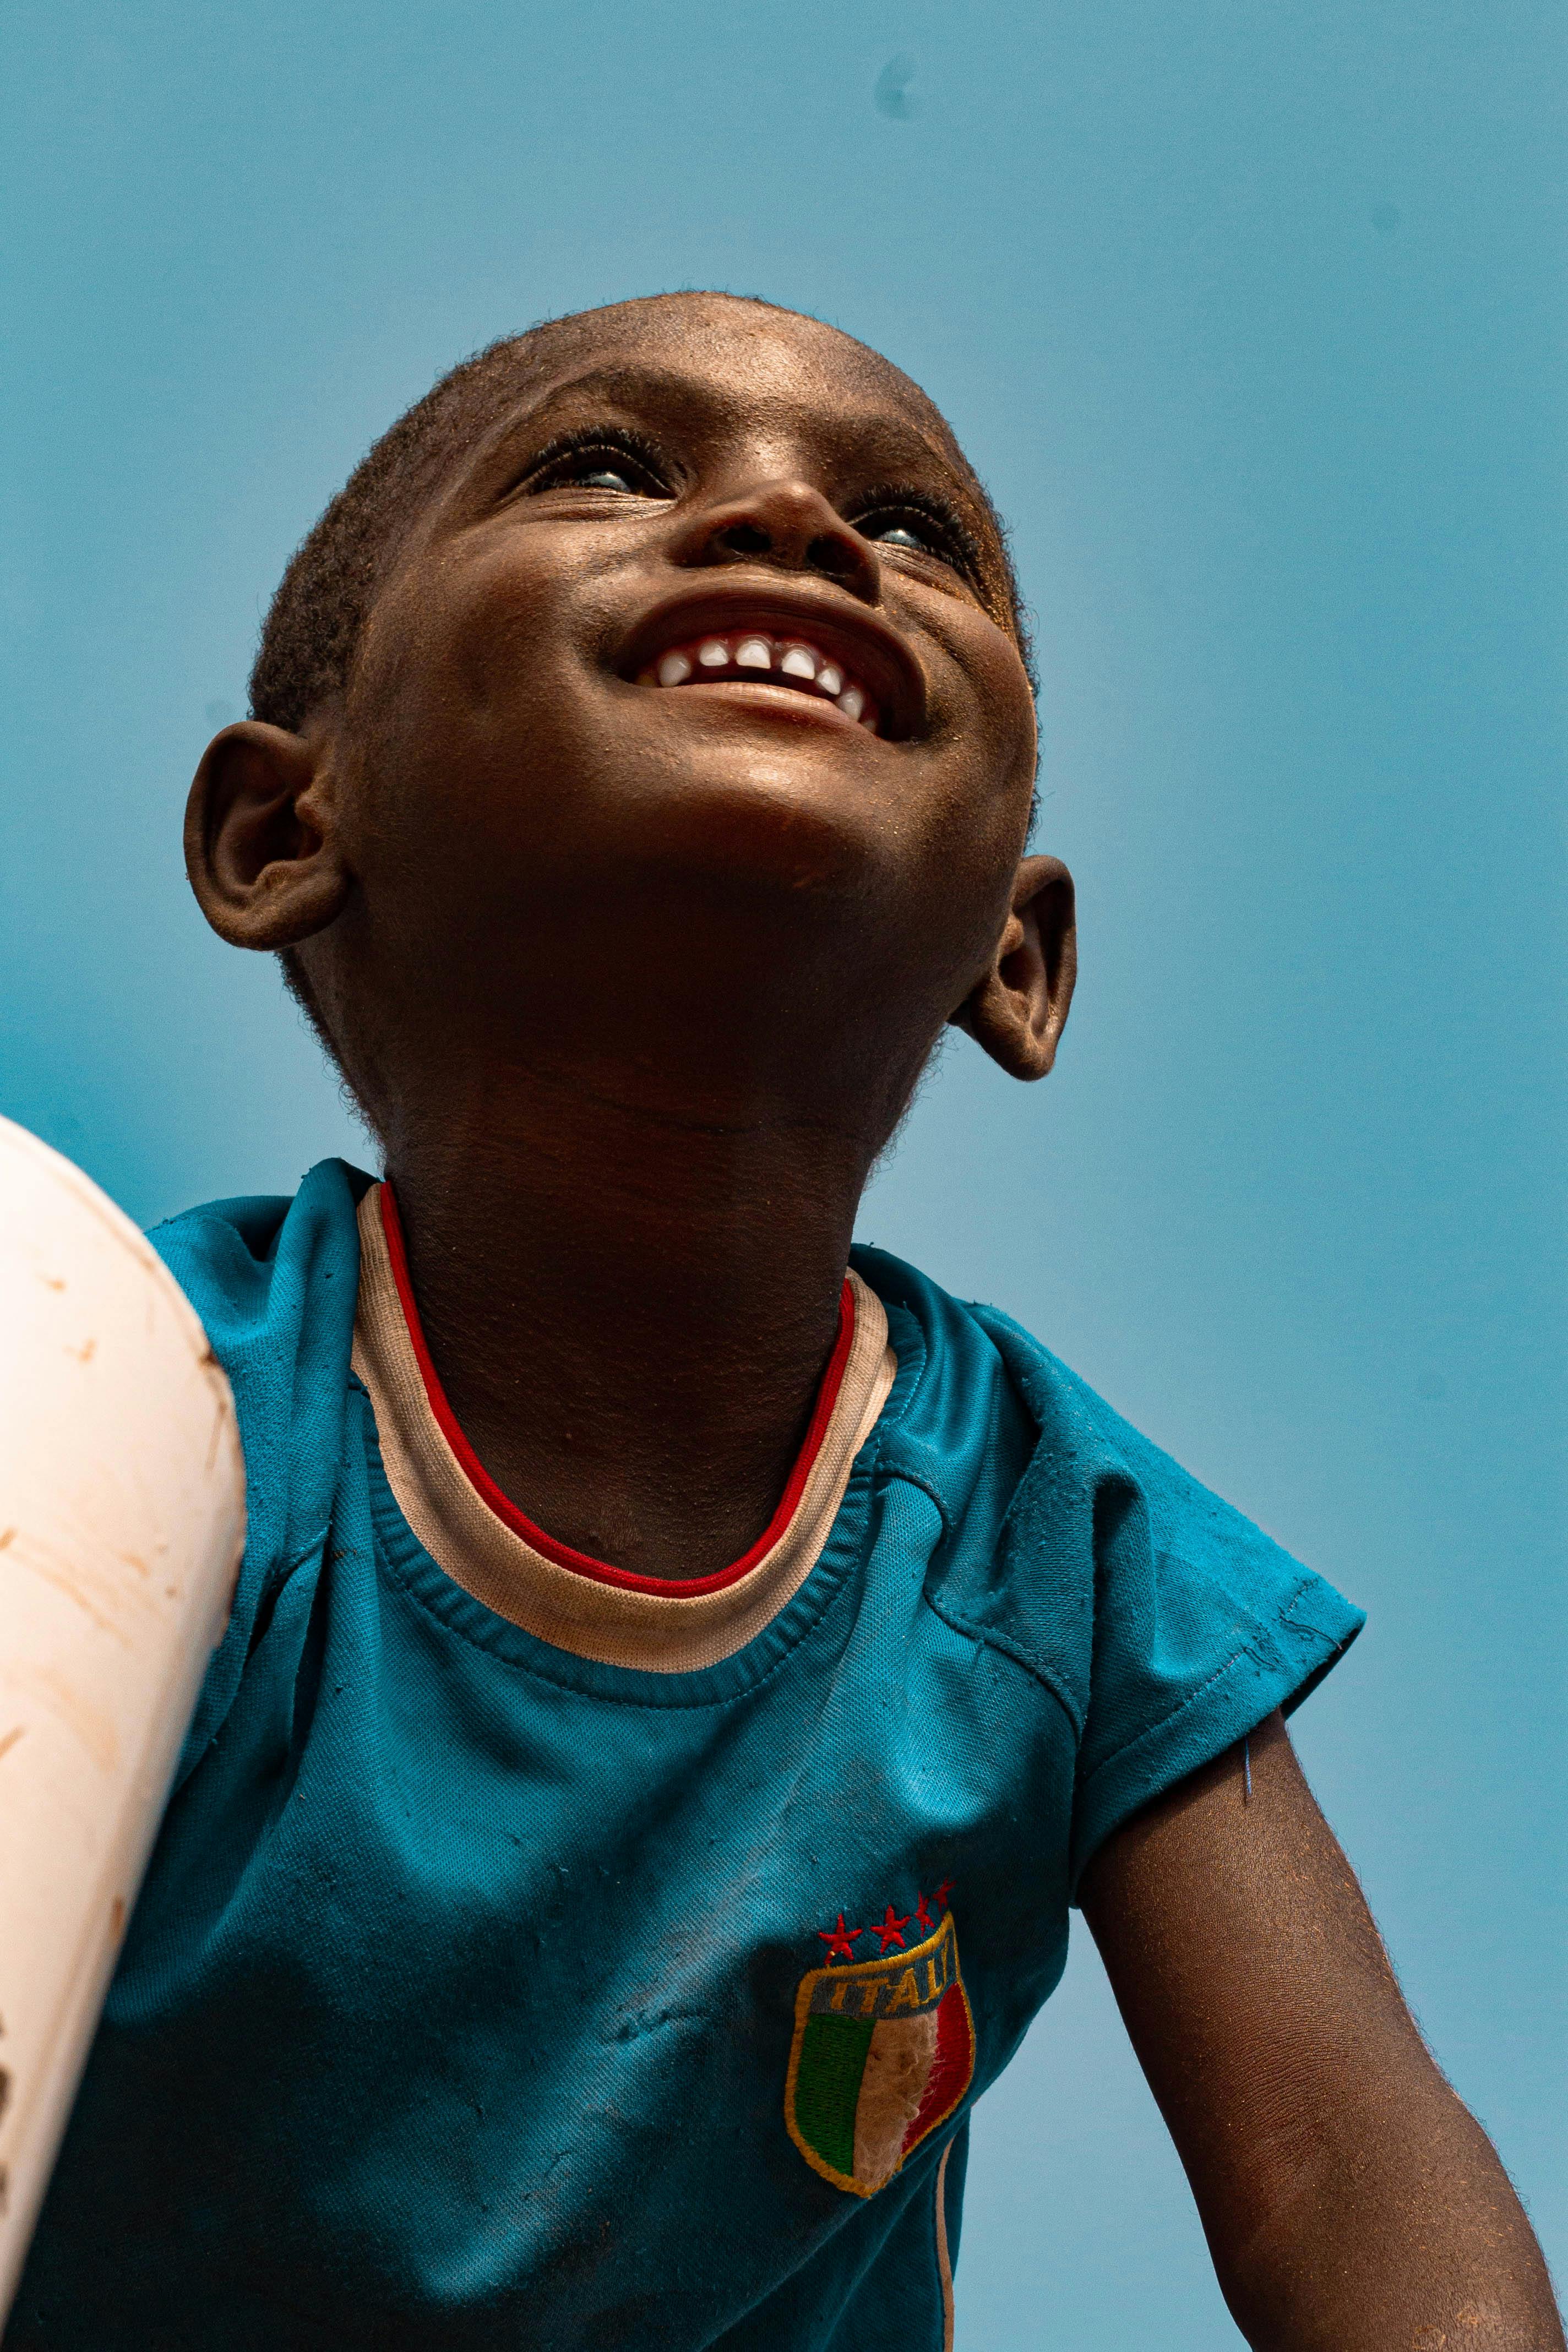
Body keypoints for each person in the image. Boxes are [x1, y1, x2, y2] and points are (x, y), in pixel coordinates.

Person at [12, 293, 1559, 2351]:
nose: (794, 523)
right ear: (288, 829)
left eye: (913, 527)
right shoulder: (131, 1406)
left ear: (1017, 954)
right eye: (608, 470)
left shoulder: (1048, 1545)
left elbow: (1348, 2192)